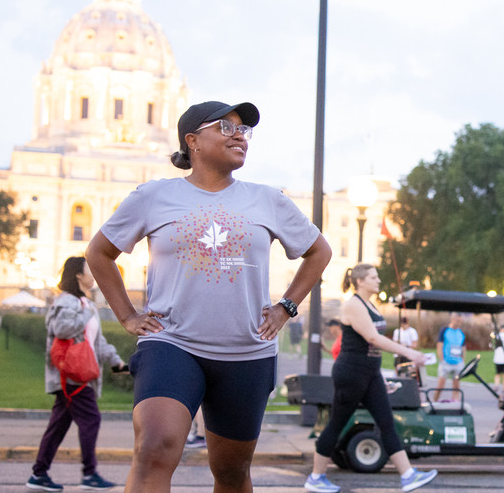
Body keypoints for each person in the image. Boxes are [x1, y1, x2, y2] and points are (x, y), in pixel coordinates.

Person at [85, 100, 333, 493]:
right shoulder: (153, 196)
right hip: (172, 344)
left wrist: (286, 307)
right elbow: (99, 253)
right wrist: (128, 316)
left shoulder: (267, 199)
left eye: (244, 130)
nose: (240, 135)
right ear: (193, 141)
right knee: (154, 447)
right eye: (226, 126)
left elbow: (319, 251)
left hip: (246, 353)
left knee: (232, 473)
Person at [304, 264, 437, 492]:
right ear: (360, 281)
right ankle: (316, 477)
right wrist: (410, 353)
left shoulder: (369, 305)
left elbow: (372, 345)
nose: (378, 280)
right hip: (351, 373)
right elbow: (373, 338)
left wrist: (379, 377)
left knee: (386, 422)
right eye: (373, 277)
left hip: (369, 374)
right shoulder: (353, 305)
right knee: (336, 423)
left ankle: (408, 475)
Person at [27, 256, 128, 491]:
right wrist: (84, 312)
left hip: (78, 374)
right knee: (91, 419)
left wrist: (116, 361)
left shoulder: (86, 304)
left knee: (58, 425)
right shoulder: (67, 302)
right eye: (89, 270)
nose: (93, 274)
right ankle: (89, 474)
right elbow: (61, 329)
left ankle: (39, 474)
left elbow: (96, 341)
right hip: (71, 375)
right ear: (78, 275)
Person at [434, 313, 467, 399]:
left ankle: (455, 402)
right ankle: (435, 402)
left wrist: (463, 361)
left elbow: (463, 348)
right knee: (440, 386)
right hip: (446, 363)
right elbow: (439, 346)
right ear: (453, 319)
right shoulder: (445, 330)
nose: (459, 323)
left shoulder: (461, 333)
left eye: (461, 322)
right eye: (458, 321)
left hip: (457, 363)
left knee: (456, 386)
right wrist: (442, 360)